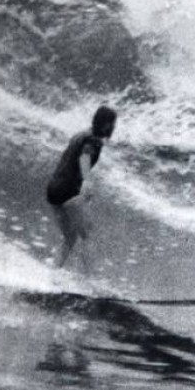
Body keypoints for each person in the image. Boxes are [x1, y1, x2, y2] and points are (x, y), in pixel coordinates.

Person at [46, 106, 117, 272]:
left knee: (70, 237)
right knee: (87, 235)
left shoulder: (82, 134)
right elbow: (85, 156)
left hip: (54, 189)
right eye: (113, 123)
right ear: (106, 124)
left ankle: (53, 272)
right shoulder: (93, 141)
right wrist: (87, 180)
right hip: (69, 191)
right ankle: (88, 279)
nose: (114, 127)